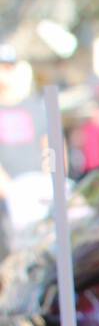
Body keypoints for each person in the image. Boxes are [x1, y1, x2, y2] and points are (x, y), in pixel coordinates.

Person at [0, 45, 48, 259]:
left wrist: (51, 178)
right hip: (7, 203)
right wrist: (8, 190)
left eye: (8, 67)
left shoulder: (34, 106)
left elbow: (51, 145)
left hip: (38, 198)